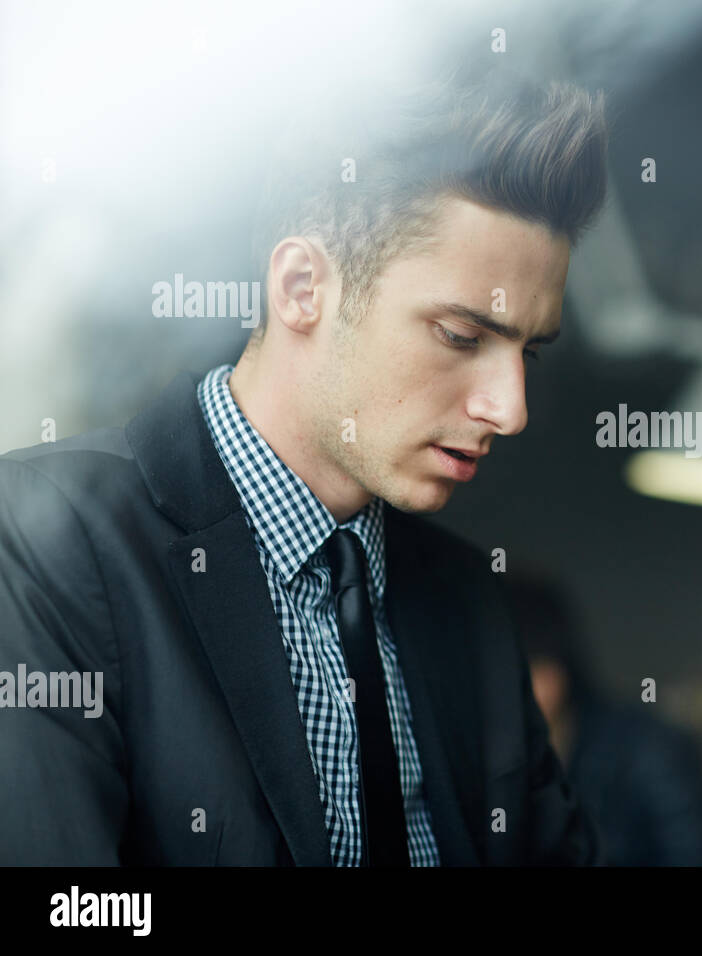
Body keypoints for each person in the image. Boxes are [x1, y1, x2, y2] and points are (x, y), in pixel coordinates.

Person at [0, 66, 610, 866]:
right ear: (301, 287)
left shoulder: (471, 609)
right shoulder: (47, 541)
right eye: (462, 336)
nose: (511, 407)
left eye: (527, 351)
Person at [507, 573, 702, 866]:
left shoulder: (649, 749)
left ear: (560, 670)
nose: (516, 693)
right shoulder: (485, 759)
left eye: (532, 671)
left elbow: (698, 855)